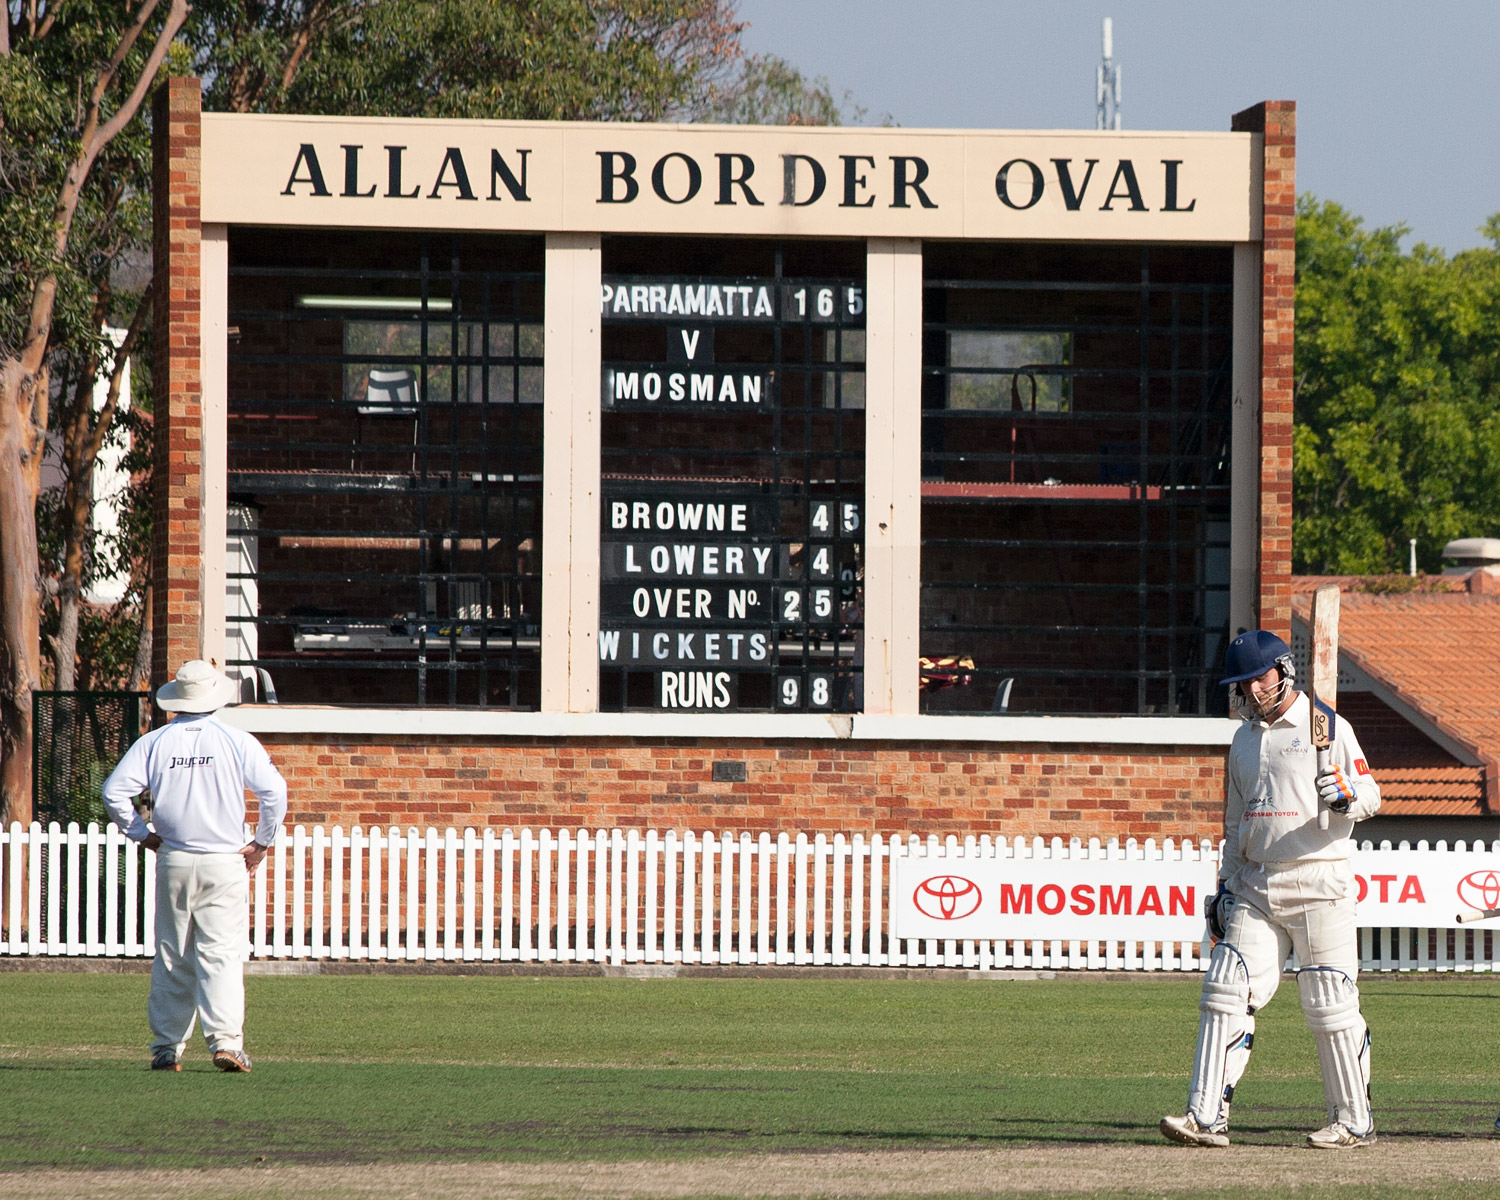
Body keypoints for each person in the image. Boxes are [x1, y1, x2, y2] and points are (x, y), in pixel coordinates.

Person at [1160, 630, 1381, 1150]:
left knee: (1329, 1002)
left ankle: (1353, 1121)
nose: (1252, 692)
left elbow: (1370, 792)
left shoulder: (1327, 726)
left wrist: (1348, 795)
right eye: (1242, 684)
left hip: (1319, 878)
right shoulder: (1242, 739)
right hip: (1257, 884)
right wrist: (1224, 887)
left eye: (1259, 679)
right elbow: (1236, 825)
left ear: (1283, 670)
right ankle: (1205, 1117)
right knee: (1225, 990)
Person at [102, 660, 287, 1073]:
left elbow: (114, 793)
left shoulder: (155, 742)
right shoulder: (236, 740)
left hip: (175, 857)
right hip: (225, 860)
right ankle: (226, 1043)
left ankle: (166, 1047)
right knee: (220, 953)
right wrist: (261, 842)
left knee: (172, 953)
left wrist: (143, 834)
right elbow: (274, 791)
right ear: (214, 697)